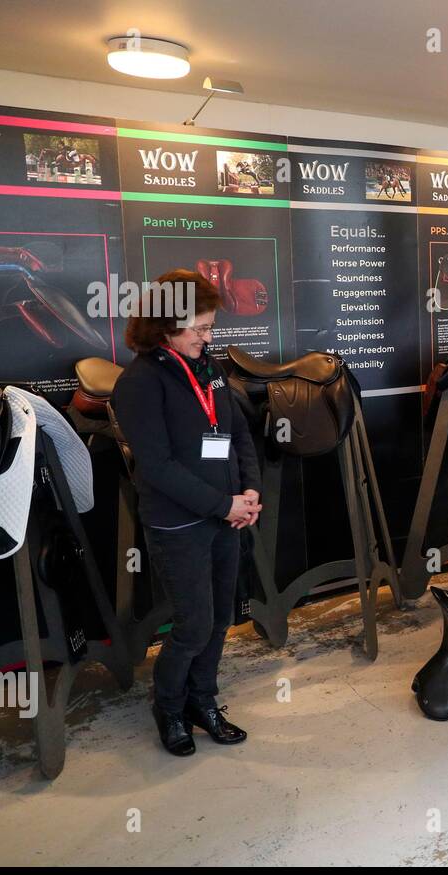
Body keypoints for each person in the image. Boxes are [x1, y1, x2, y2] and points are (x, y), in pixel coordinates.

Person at [110, 269, 262, 757]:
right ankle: (170, 707)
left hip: (226, 517)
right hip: (180, 525)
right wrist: (224, 505)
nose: (207, 336)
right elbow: (156, 467)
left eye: (210, 326)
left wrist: (250, 492)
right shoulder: (139, 383)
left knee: (219, 619)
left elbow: (237, 433)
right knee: (194, 622)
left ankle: (204, 701)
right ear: (163, 327)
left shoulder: (209, 367)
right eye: (198, 328)